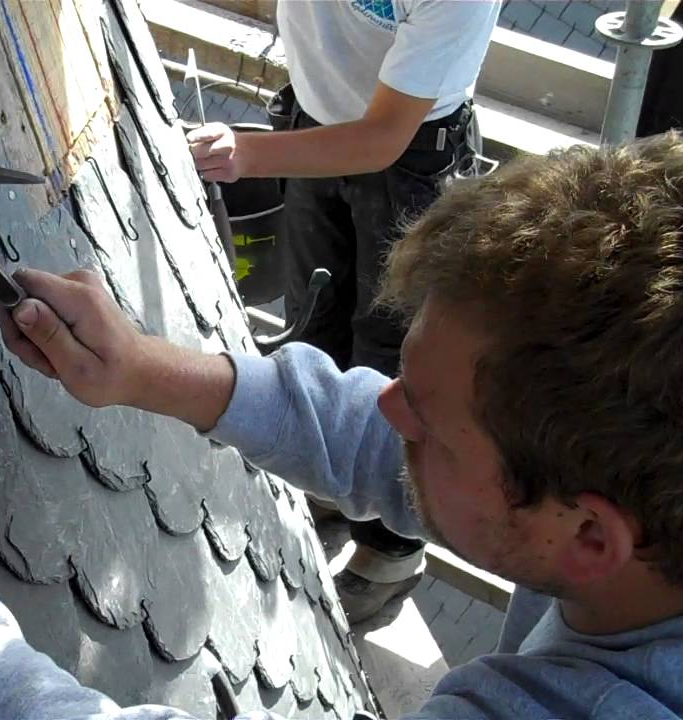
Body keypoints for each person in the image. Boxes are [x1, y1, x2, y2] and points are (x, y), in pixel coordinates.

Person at [0, 133, 683, 719]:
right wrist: (146, 368)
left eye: (426, 423)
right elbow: (416, 462)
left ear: (591, 537)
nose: (385, 412)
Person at [187, 0, 502, 620]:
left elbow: (382, 137)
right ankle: (329, 484)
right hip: (317, 128)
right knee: (316, 319)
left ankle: (390, 551)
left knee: (395, 356)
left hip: (410, 156)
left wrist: (246, 155)